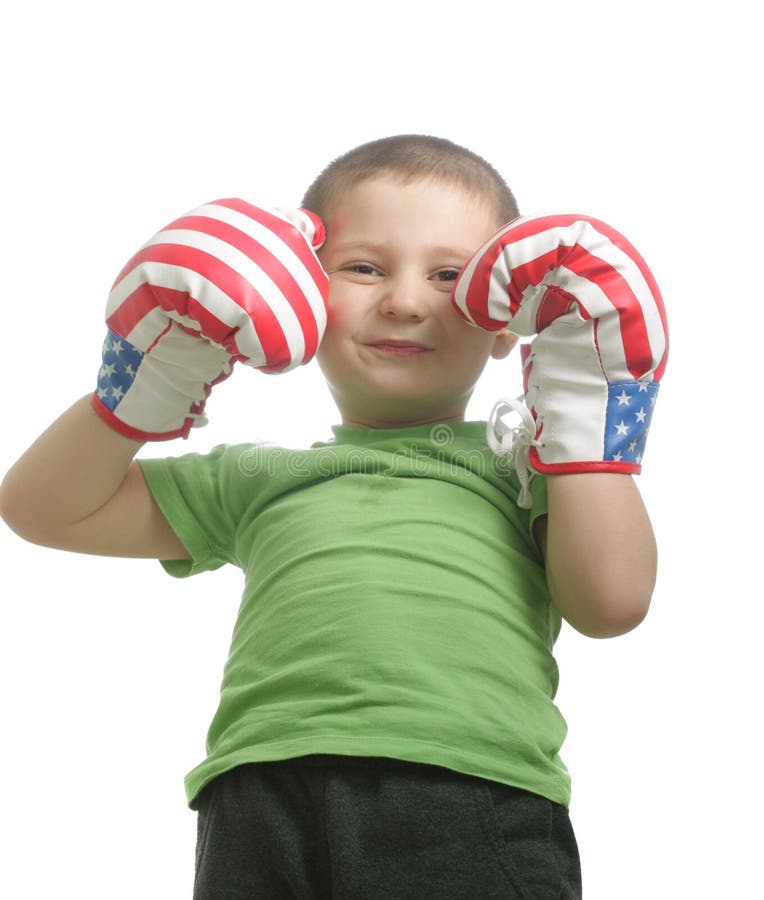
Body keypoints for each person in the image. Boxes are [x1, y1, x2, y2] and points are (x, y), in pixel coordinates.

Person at [0, 134, 667, 898]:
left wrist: (587, 421)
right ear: (303, 293)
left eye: (450, 275)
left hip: (468, 790)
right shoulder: (258, 475)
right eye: (364, 267)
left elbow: (612, 603)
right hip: (255, 799)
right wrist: (147, 385)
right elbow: (42, 510)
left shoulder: (527, 466)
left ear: (509, 319)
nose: (406, 300)